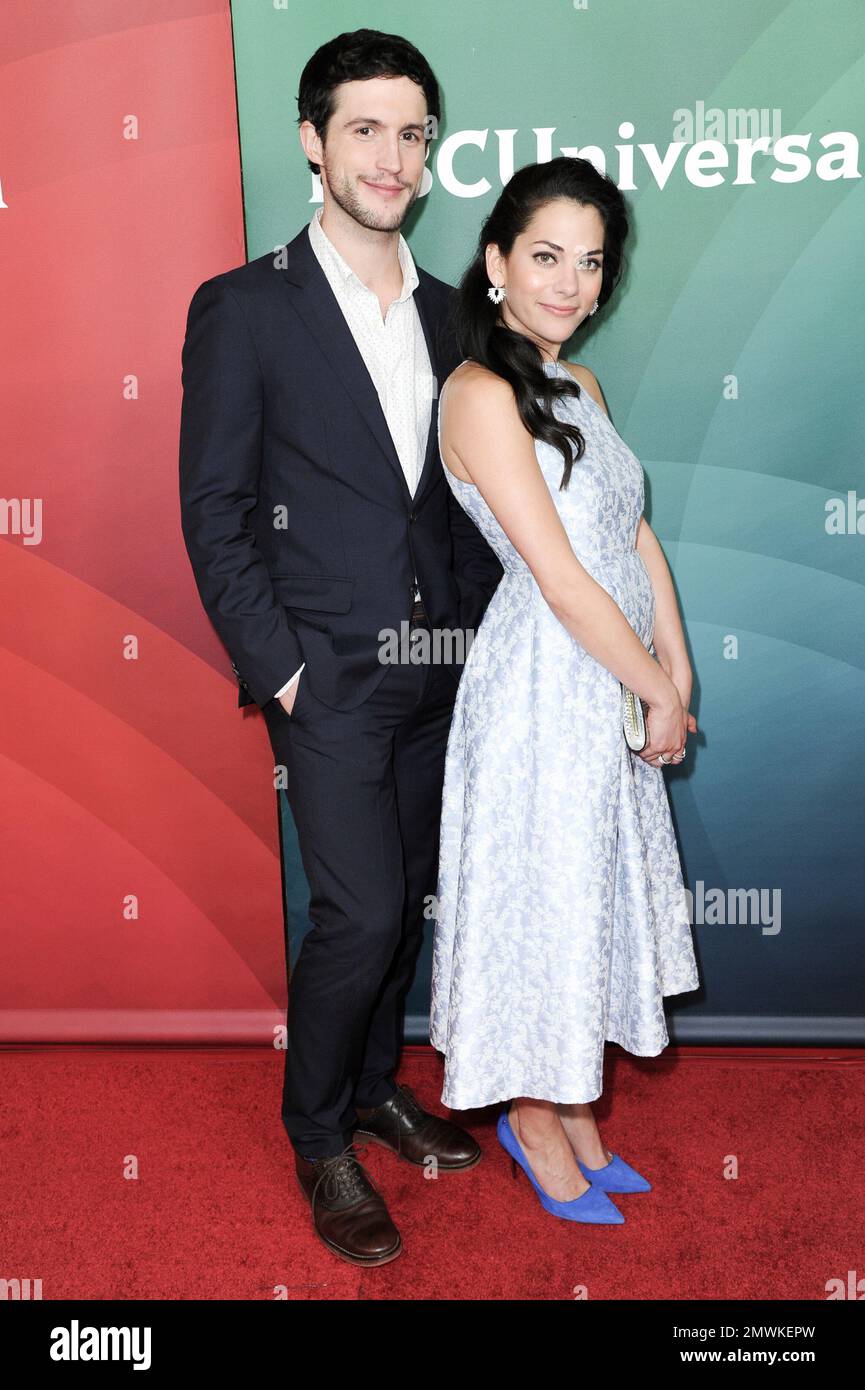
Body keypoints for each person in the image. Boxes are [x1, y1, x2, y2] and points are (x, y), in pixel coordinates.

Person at [178, 30, 503, 1267]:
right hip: (327, 676)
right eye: (363, 128)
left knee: (410, 903)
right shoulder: (246, 306)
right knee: (359, 913)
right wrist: (287, 667)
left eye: (411, 132)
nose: (391, 155)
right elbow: (214, 508)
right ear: (312, 143)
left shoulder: (450, 313)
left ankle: (373, 1085)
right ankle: (317, 1133)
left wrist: (473, 642)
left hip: (443, 671)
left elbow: (470, 496)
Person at [429, 156, 701, 1225]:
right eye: (546, 256)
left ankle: (576, 1100)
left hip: (612, 678)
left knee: (589, 891)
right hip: (545, 684)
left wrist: (671, 668)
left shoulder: (578, 384)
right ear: (495, 261)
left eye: (590, 263)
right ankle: (533, 1115)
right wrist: (656, 692)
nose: (570, 283)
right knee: (542, 898)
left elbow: (630, 530)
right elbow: (557, 573)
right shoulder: (478, 390)